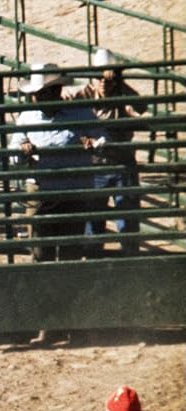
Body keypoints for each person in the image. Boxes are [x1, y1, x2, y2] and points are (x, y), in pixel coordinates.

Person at [9, 63, 105, 264]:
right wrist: (23, 150)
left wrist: (94, 143)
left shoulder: (81, 113)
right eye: (36, 94)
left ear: (56, 91)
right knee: (41, 251)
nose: (36, 98)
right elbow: (12, 155)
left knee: (71, 251)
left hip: (72, 190)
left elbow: (104, 140)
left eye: (41, 93)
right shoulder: (27, 118)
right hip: (42, 190)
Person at [65, 48, 148, 256]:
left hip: (122, 164)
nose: (103, 82)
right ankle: (94, 263)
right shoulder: (81, 94)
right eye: (98, 77)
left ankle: (130, 264)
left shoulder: (122, 93)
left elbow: (142, 107)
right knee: (93, 223)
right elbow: (55, 105)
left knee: (127, 222)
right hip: (94, 166)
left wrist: (120, 83)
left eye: (108, 77)